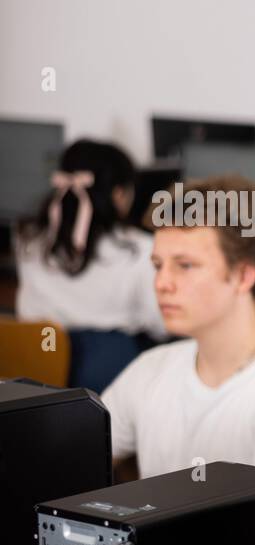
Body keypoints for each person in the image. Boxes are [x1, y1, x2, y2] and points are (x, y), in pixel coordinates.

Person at [102, 174, 255, 479]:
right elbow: (71, 459)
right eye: (158, 265)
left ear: (243, 276)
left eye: (185, 265)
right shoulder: (151, 370)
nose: (161, 283)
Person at [15, 139, 167, 392]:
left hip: (37, 358)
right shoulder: (140, 250)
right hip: (107, 370)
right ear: (119, 194)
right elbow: (162, 324)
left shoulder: (28, 238)